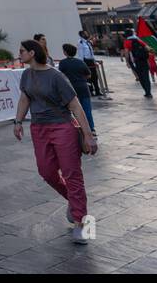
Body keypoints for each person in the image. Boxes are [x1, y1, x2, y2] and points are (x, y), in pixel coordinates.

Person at [14, 39, 97, 244]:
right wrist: (18, 121)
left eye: (22, 51)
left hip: (62, 127)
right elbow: (25, 98)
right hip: (39, 129)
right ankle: (74, 201)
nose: (19, 54)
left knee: (72, 173)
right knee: (47, 172)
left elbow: (76, 107)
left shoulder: (56, 76)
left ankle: (82, 223)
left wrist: (88, 135)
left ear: (32, 53)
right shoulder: (26, 74)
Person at [58, 44, 96, 134]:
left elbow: (61, 76)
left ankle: (80, 128)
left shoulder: (63, 63)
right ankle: (91, 129)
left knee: (75, 110)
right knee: (87, 110)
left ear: (65, 52)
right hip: (83, 87)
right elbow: (88, 74)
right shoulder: (80, 62)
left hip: (71, 90)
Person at [77, 30, 104, 98]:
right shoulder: (80, 43)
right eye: (86, 34)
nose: (87, 35)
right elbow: (81, 54)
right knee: (88, 77)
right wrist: (82, 64)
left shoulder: (88, 42)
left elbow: (91, 53)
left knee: (95, 76)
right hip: (86, 61)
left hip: (91, 61)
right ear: (82, 35)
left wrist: (95, 61)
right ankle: (90, 91)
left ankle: (97, 90)